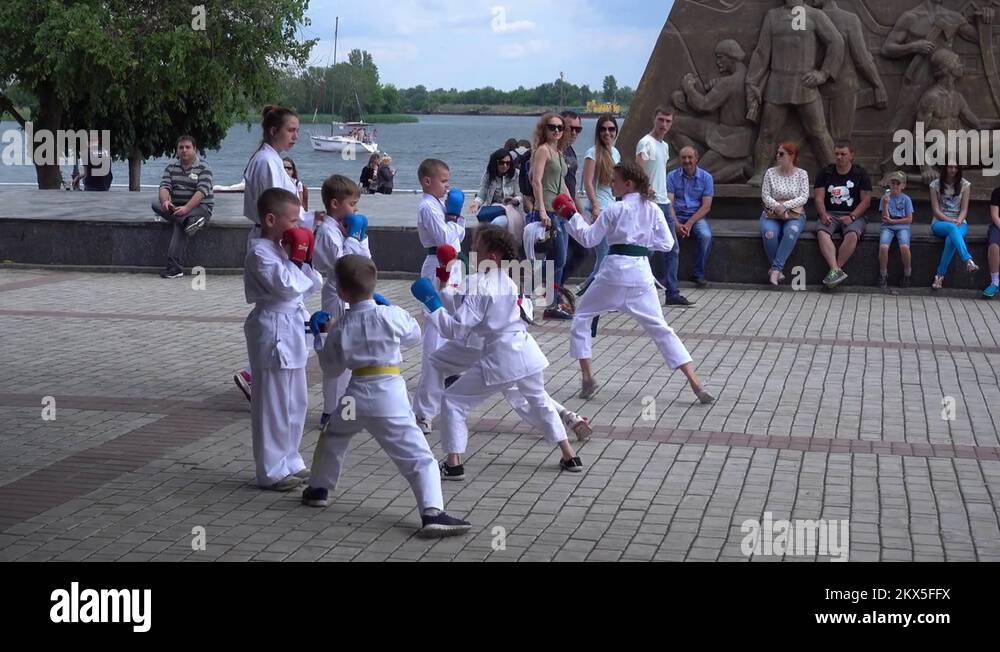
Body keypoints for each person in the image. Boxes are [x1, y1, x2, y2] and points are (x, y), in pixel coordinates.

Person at [303, 255, 472, 538]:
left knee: (333, 435)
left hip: (354, 395)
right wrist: (390, 308)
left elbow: (331, 369)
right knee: (419, 457)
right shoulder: (389, 315)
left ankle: (319, 487)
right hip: (389, 394)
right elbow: (415, 335)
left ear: (341, 292)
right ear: (374, 283)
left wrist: (321, 336)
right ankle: (432, 512)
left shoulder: (341, 325)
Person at [411, 226, 586, 477]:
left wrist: (432, 305)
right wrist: (444, 285)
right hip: (526, 353)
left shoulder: (481, 284)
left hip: (501, 357)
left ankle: (453, 463)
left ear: (491, 256)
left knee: (453, 399)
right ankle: (570, 456)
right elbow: (463, 303)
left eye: (476, 249)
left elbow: (455, 329)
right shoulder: (508, 280)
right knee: (539, 401)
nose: (472, 252)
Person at [558, 163, 714, 405]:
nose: (611, 184)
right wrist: (641, 242)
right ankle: (695, 382)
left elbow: (589, 239)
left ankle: (588, 378)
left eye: (615, 180)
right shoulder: (653, 209)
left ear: (628, 184)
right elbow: (667, 244)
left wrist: (570, 216)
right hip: (640, 274)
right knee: (661, 329)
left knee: (583, 317)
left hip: (612, 274)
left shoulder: (614, 209)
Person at [234, 105, 322, 402]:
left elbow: (288, 211)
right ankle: (256, 376)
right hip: (273, 240)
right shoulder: (267, 163)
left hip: (277, 237)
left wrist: (310, 221)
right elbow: (278, 209)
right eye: (291, 130)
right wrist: (299, 235)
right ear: (274, 130)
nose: (296, 136)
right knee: (292, 312)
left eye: (297, 130)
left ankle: (256, 375)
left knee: (301, 317)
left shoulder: (271, 160)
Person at [243, 188, 322, 491]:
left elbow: (312, 284)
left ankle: (290, 458)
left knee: (295, 400)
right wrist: (298, 260)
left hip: (291, 325)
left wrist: (305, 256)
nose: (297, 227)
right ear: (271, 219)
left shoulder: (281, 248)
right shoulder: (259, 252)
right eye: (292, 220)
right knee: (273, 402)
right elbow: (286, 287)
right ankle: (271, 469)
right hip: (272, 325)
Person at [311, 175, 372, 427]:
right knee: (337, 351)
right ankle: (330, 410)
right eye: (352, 204)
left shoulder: (340, 228)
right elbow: (344, 265)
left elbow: (365, 261)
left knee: (352, 351)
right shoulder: (327, 231)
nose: (355, 209)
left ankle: (346, 408)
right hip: (336, 293)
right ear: (335, 204)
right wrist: (353, 238)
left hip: (351, 294)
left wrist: (360, 237)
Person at [413, 159, 465, 434]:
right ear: (427, 181)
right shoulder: (426, 207)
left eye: (448, 180)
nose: (447, 185)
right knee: (434, 337)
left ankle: (447, 388)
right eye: (443, 181)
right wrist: (454, 220)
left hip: (453, 265)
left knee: (454, 329)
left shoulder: (441, 205)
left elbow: (459, 236)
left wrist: (455, 219)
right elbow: (447, 238)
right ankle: (423, 411)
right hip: (437, 266)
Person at [637, 107, 691, 306]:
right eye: (661, 120)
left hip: (664, 203)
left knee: (672, 247)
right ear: (654, 119)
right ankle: (638, 290)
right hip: (650, 204)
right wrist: (644, 190)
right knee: (647, 250)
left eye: (668, 121)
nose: (664, 125)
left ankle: (671, 292)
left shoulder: (664, 146)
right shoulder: (645, 143)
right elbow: (638, 171)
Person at [528, 112, 574, 320]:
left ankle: (549, 298)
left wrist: (571, 204)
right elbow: (536, 181)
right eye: (552, 127)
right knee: (558, 257)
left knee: (559, 259)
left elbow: (561, 182)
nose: (556, 130)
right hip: (547, 209)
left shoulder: (559, 152)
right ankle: (549, 301)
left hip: (560, 209)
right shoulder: (543, 151)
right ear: (544, 129)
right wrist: (542, 210)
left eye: (560, 127)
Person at [151, 135, 214, 279]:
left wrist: (186, 208)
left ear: (195, 149)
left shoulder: (204, 168)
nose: (184, 150)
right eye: (181, 147)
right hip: (177, 207)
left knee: (180, 223)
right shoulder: (171, 167)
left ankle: (174, 269)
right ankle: (188, 222)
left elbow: (201, 192)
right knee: (156, 204)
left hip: (200, 208)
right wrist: (165, 201)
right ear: (177, 150)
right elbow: (164, 186)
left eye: (187, 147)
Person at [814, 141, 873, 288]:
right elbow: (819, 198)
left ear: (851, 155)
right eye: (837, 154)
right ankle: (835, 270)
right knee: (822, 232)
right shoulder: (825, 173)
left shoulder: (860, 174)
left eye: (843, 154)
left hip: (853, 214)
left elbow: (866, 201)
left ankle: (835, 271)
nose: (839, 157)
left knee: (852, 234)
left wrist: (852, 217)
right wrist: (822, 214)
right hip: (830, 213)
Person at [578, 114, 622, 294]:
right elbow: (588, 183)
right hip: (598, 211)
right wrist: (595, 206)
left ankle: (590, 290)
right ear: (598, 131)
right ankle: (586, 290)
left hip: (611, 209)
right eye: (603, 129)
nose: (607, 133)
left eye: (611, 129)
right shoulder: (592, 153)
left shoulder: (615, 152)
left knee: (609, 256)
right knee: (604, 256)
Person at [759, 142, 810, 285]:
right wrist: (777, 207)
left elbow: (803, 196)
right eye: (777, 153)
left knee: (791, 232)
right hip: (771, 213)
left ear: (791, 156)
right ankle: (778, 270)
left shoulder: (802, 174)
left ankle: (775, 270)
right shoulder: (770, 173)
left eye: (781, 154)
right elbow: (765, 195)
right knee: (770, 233)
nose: (777, 156)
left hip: (794, 214)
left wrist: (785, 206)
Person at [667, 146, 714, 287]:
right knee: (666, 238)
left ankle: (698, 274)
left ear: (696, 158)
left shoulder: (706, 178)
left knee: (706, 236)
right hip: (676, 215)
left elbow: (706, 206)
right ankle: (668, 276)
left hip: (696, 216)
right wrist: (676, 224)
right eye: (683, 158)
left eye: (690, 157)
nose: (687, 161)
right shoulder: (671, 177)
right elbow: (669, 203)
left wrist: (689, 223)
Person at [929, 164, 978, 290]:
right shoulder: (935, 185)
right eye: (950, 167)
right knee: (951, 229)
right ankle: (968, 260)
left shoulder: (965, 185)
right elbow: (935, 210)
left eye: (955, 167)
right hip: (940, 222)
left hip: (960, 222)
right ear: (944, 168)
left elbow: (964, 209)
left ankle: (939, 276)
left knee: (951, 240)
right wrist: (950, 221)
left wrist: (959, 220)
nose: (953, 170)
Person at [471, 148, 525, 244]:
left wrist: (514, 200)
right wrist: (476, 203)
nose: (505, 166)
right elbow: (482, 192)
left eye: (508, 163)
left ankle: (499, 249)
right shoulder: (488, 175)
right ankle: (482, 252)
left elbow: (520, 195)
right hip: (493, 209)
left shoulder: (516, 174)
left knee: (496, 223)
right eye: (501, 163)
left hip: (510, 211)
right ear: (495, 163)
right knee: (480, 229)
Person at [877, 171, 914, 289]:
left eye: (898, 184)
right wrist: (886, 204)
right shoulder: (885, 198)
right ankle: (883, 274)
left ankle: (907, 273)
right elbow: (884, 217)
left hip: (902, 226)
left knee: (904, 247)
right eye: (893, 183)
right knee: (883, 247)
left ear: (903, 186)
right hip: (887, 227)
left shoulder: (906, 199)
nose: (895, 186)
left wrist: (895, 222)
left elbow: (909, 219)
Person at [986, 184, 1000, 298]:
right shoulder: (997, 192)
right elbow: (995, 215)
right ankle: (995, 282)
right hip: (998, 225)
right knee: (994, 245)